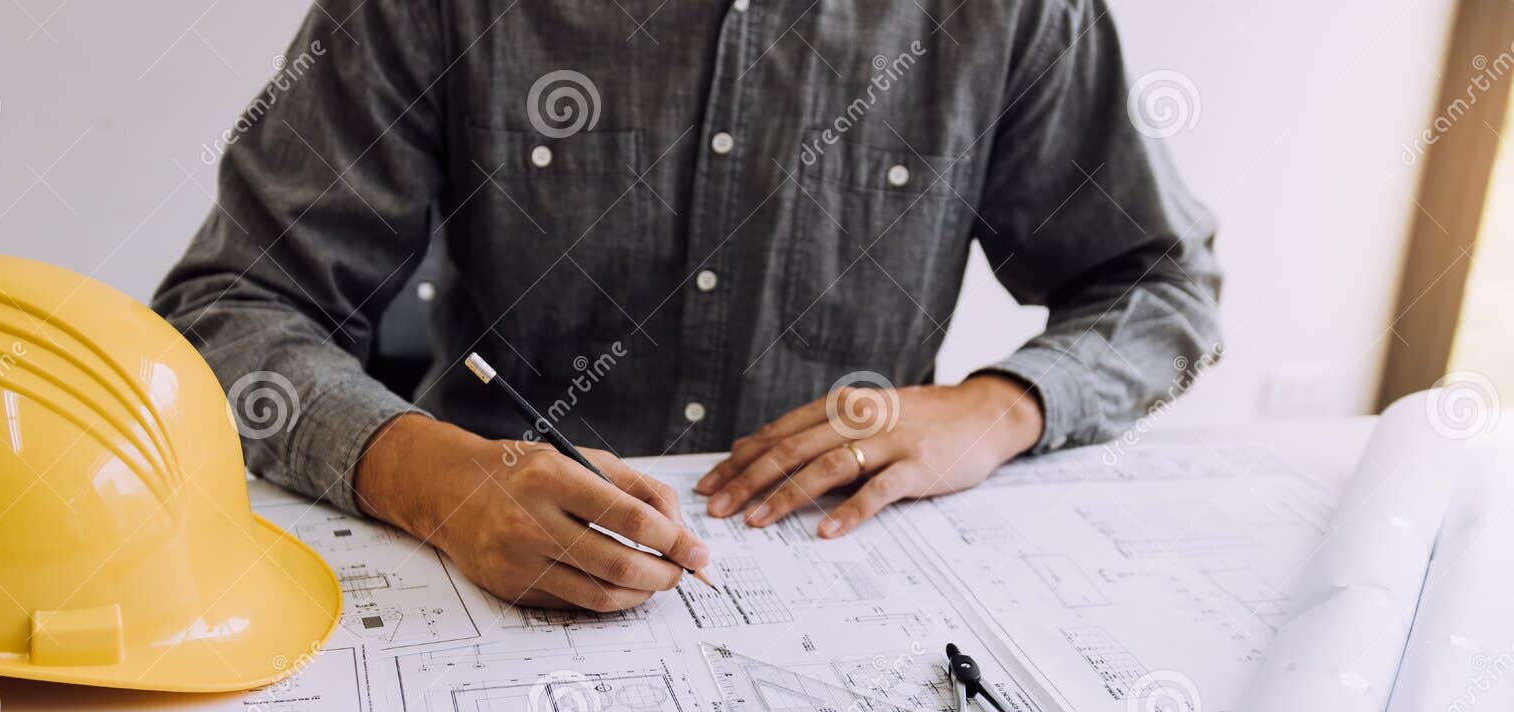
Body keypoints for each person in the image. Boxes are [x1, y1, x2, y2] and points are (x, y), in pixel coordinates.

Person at [154, 0, 1220, 613]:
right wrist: (429, 478)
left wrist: (997, 408)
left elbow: (1162, 289)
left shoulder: (1013, 14)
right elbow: (231, 305)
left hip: (846, 589)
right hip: (477, 582)